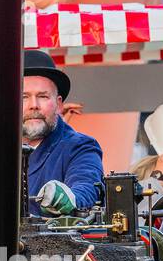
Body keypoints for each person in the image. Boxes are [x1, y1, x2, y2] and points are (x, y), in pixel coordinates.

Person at [23, 50, 104, 216]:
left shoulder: (80, 147)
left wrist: (70, 197)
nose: (34, 105)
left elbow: (87, 186)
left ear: (59, 104)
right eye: (23, 97)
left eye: (43, 96)